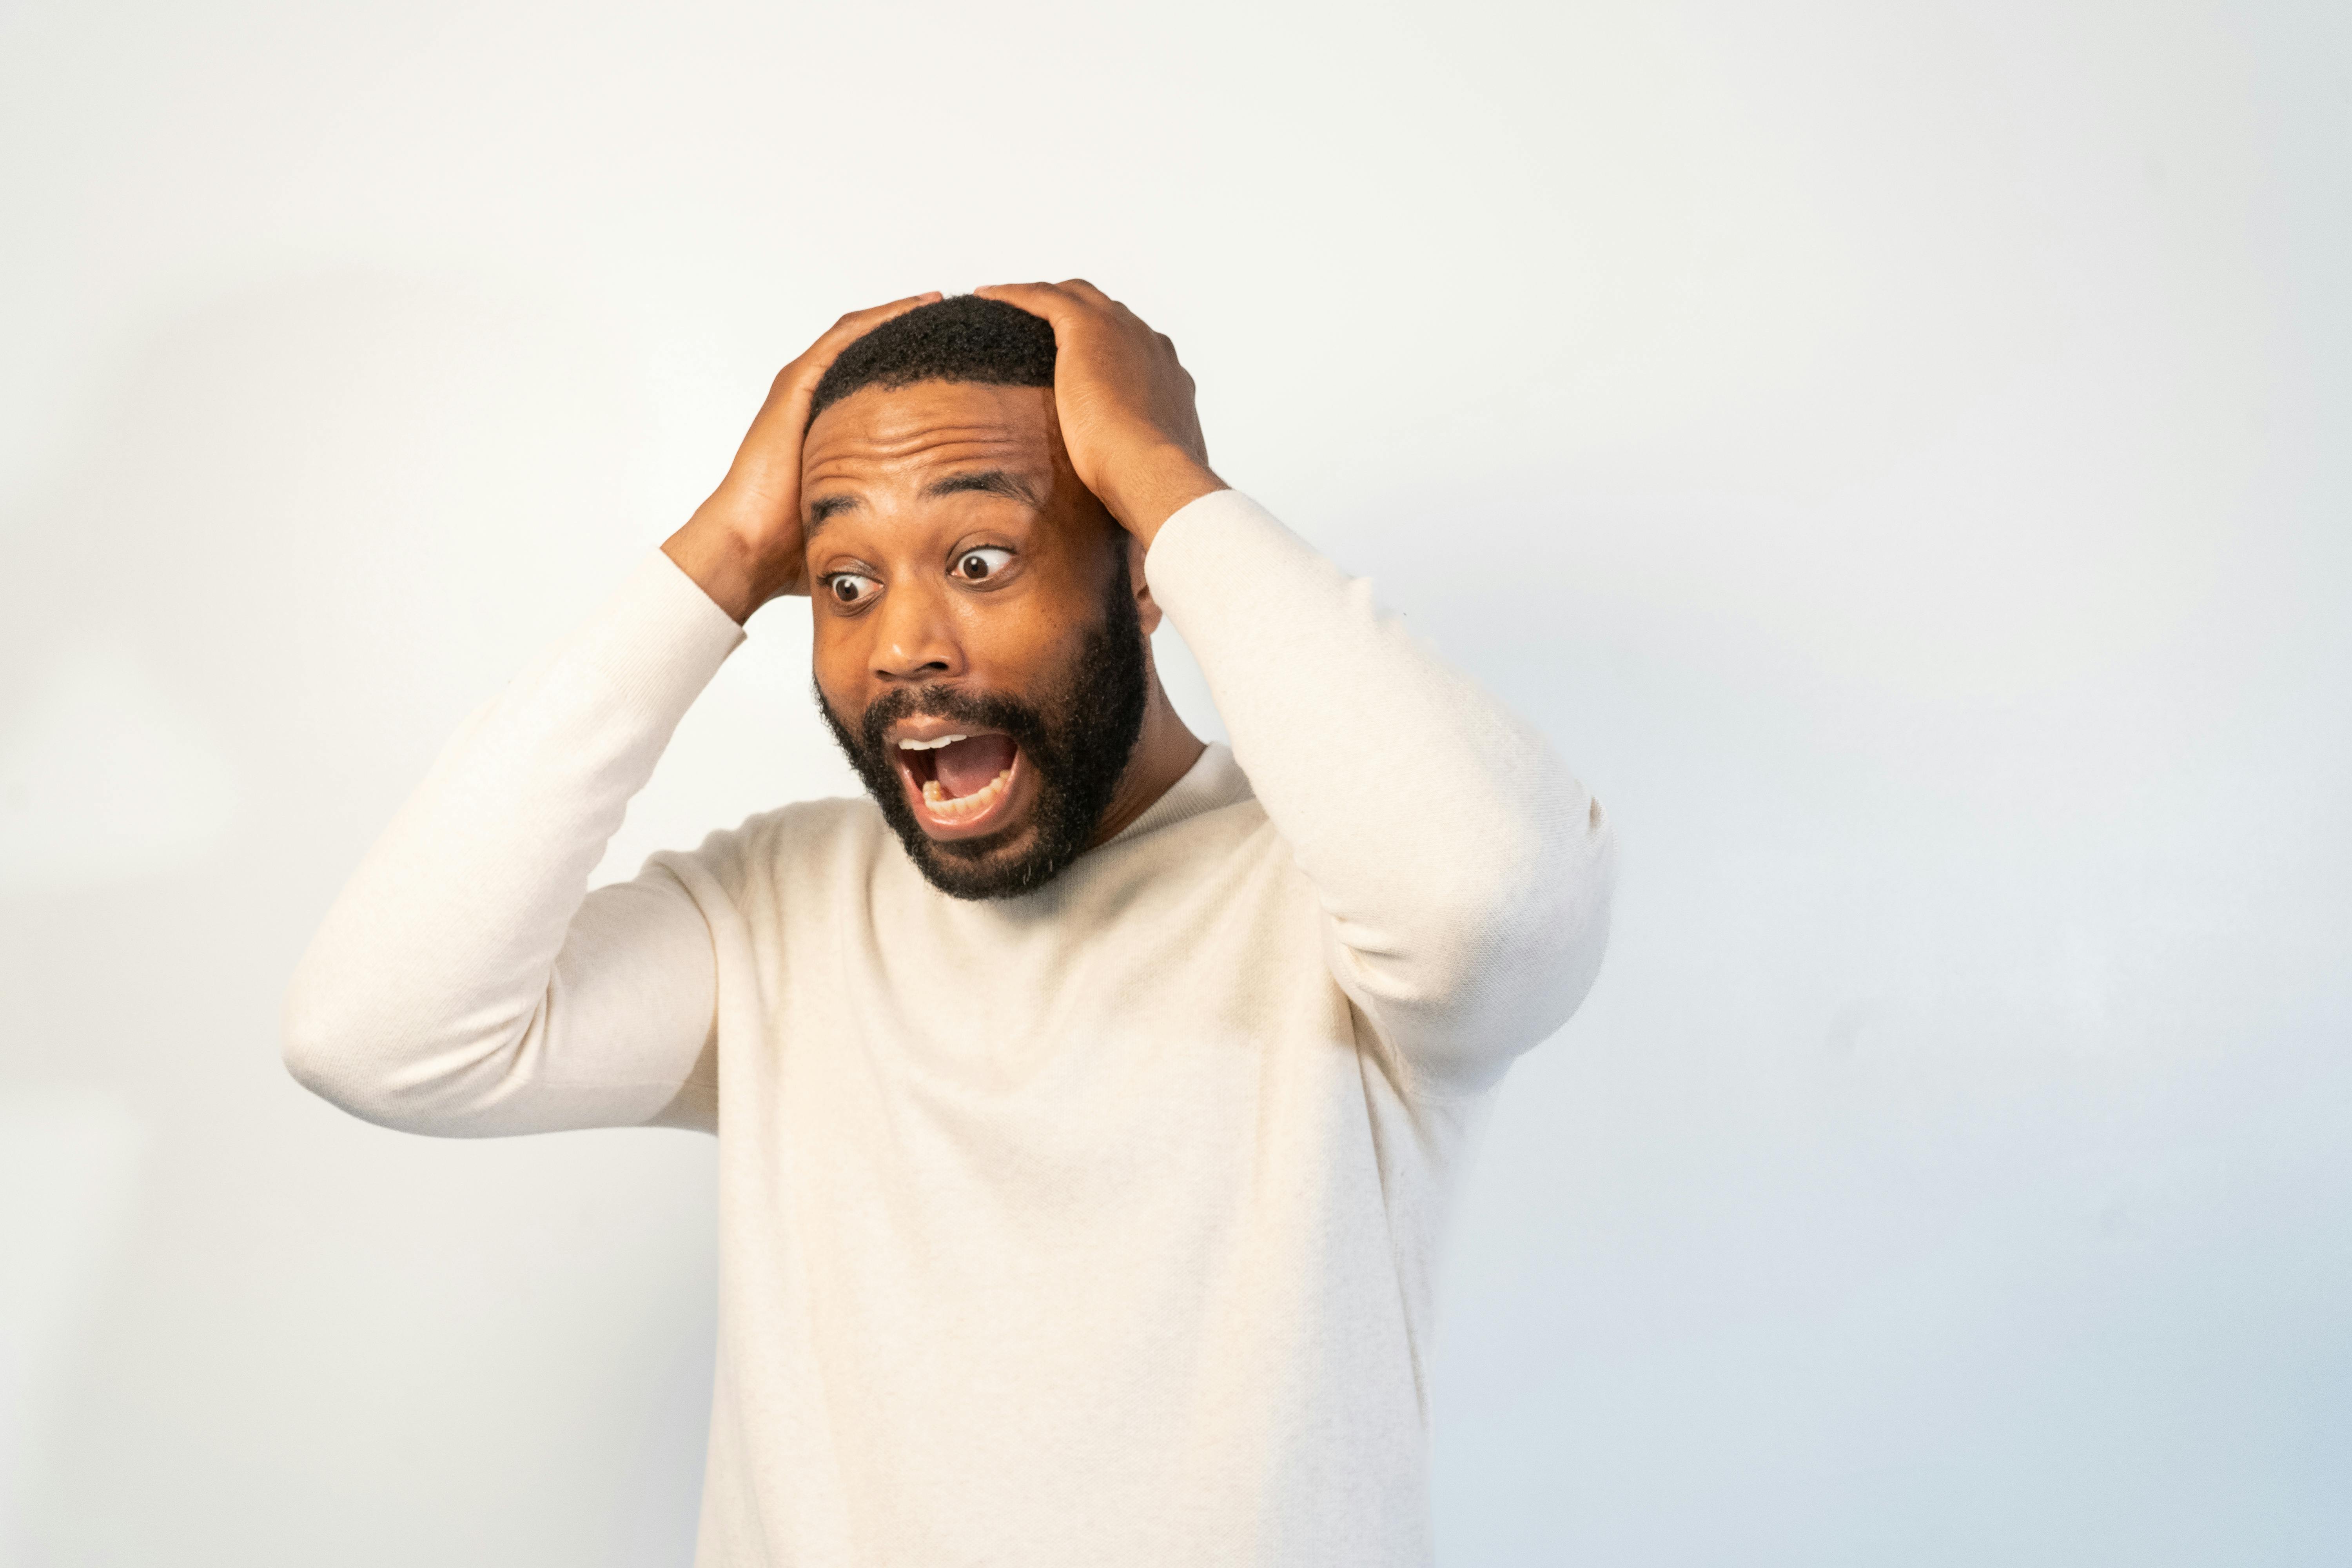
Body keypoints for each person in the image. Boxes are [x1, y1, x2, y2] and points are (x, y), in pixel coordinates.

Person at [284, 281, 1617, 1566]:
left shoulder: (1334, 906)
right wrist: (723, 557)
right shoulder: (774, 915)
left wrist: (1165, 483)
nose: (900, 644)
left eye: (981, 560)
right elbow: (381, 1034)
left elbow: (1491, 899)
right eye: (844, 581)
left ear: (1145, 577)